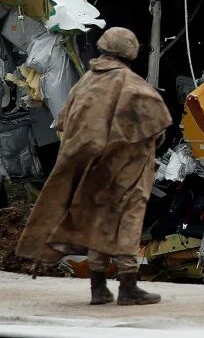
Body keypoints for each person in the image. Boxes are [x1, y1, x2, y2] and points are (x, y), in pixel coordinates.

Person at [16, 27, 169, 307]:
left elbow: (63, 121)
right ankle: (128, 287)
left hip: (90, 169)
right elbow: (157, 125)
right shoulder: (132, 84)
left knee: (98, 222)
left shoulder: (84, 84)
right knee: (128, 221)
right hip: (126, 168)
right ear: (129, 52)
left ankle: (98, 288)